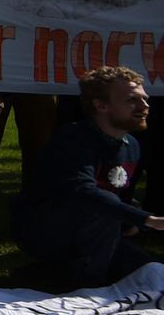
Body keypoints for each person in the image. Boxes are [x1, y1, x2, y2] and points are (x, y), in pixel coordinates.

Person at [12, 65, 159, 285]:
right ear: (101, 105)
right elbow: (82, 192)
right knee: (102, 204)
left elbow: (122, 195)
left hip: (98, 230)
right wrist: (146, 219)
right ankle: (78, 280)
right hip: (48, 228)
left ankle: (54, 271)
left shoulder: (132, 146)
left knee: (150, 272)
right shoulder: (73, 140)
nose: (144, 106)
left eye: (144, 99)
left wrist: (130, 221)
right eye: (132, 100)